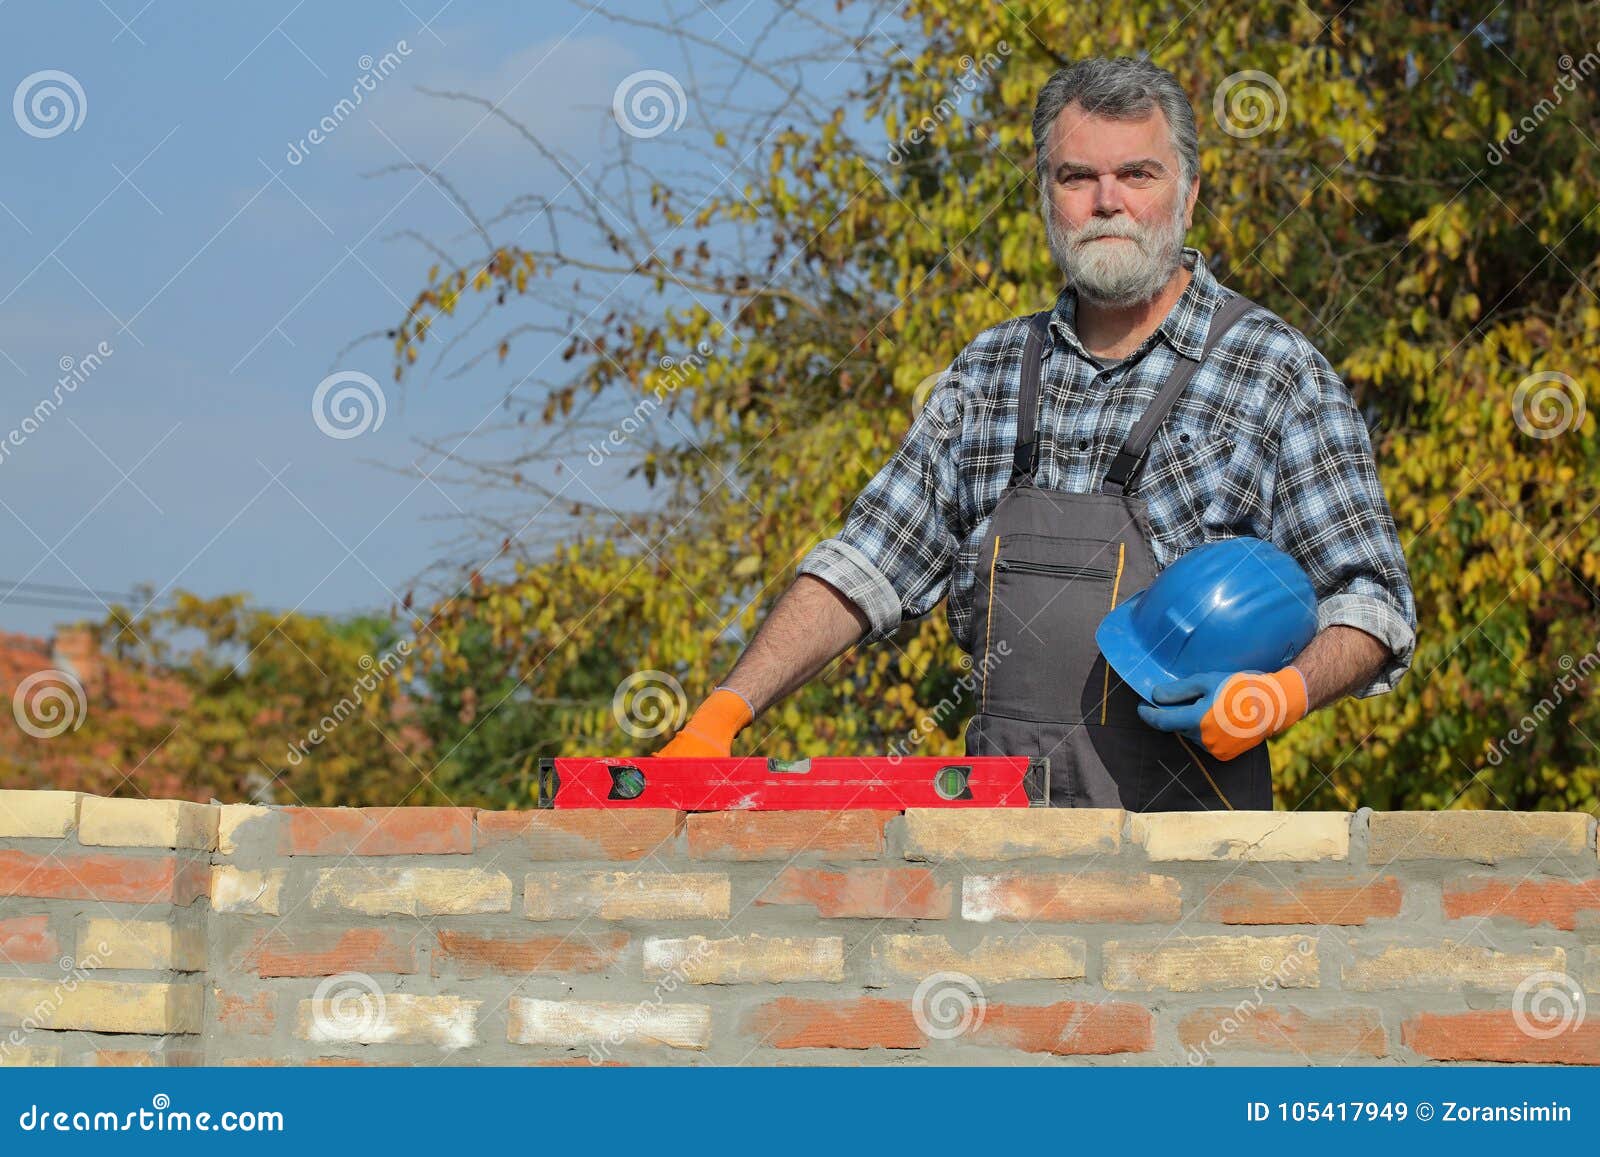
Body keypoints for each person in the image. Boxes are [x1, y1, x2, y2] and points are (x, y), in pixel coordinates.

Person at [655, 56, 1416, 811]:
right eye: (1077, 177)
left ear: (1189, 193)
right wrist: (722, 714)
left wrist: (1283, 694)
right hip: (997, 862)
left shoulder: (1276, 371)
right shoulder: (988, 374)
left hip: (1187, 871)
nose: (1107, 202)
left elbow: (1372, 601)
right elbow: (866, 564)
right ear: (1045, 196)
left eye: (1138, 175)